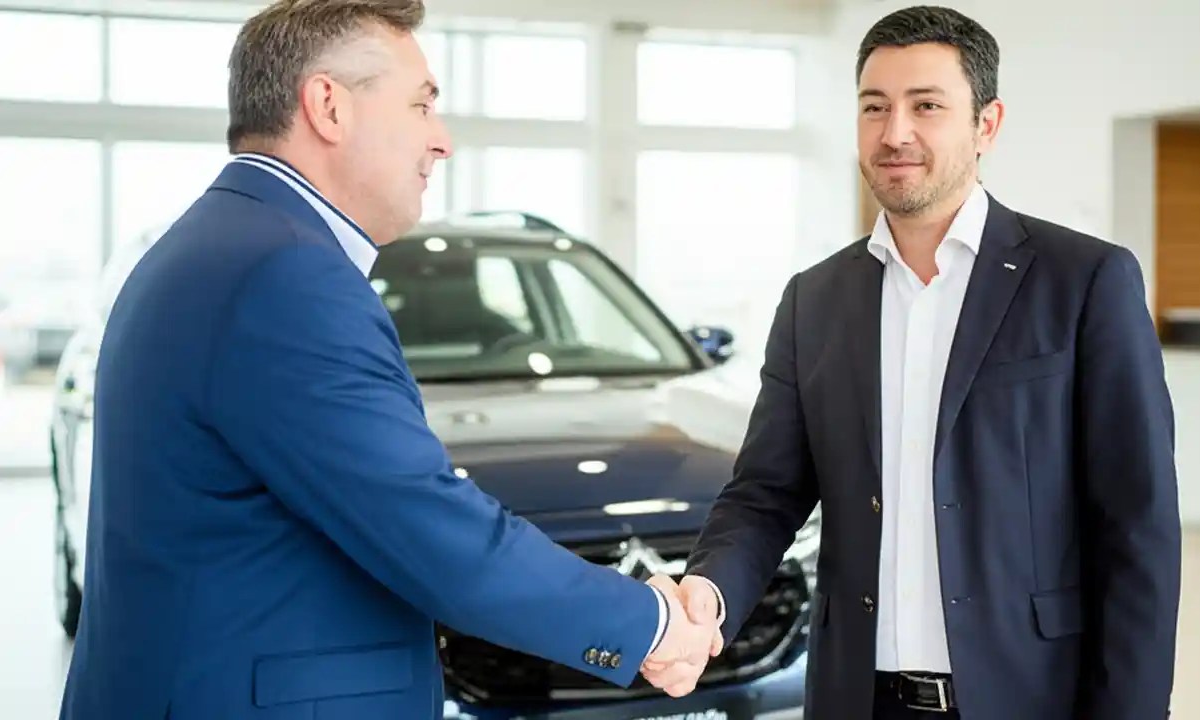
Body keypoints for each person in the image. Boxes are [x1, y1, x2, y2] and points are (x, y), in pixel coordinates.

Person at [57, 1, 715, 718]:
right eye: (421, 105)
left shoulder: (212, 244)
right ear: (329, 107)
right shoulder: (286, 276)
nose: (442, 142)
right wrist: (648, 623)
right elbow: (429, 528)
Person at [650, 5, 1181, 719]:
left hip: (1028, 694)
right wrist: (707, 595)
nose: (894, 132)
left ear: (985, 125)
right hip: (856, 699)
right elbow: (766, 493)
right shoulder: (815, 300)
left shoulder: (1085, 281)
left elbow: (1137, 525)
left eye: (926, 106)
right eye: (875, 107)